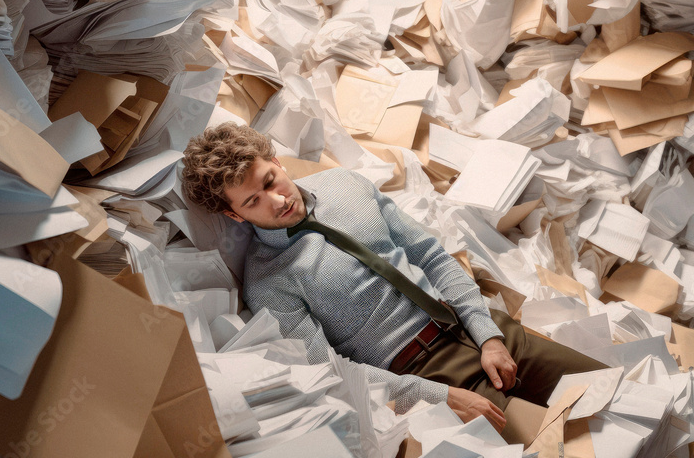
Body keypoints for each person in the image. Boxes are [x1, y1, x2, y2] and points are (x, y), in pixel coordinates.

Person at [181, 123, 604, 430]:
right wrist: (437, 397)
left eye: (271, 181)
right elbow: (332, 373)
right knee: (574, 455)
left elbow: (431, 255)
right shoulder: (267, 282)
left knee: (610, 394)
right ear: (234, 215)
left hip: (484, 330)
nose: (276, 201)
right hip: (423, 377)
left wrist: (488, 334)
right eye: (253, 201)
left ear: (276, 162)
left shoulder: (345, 184)